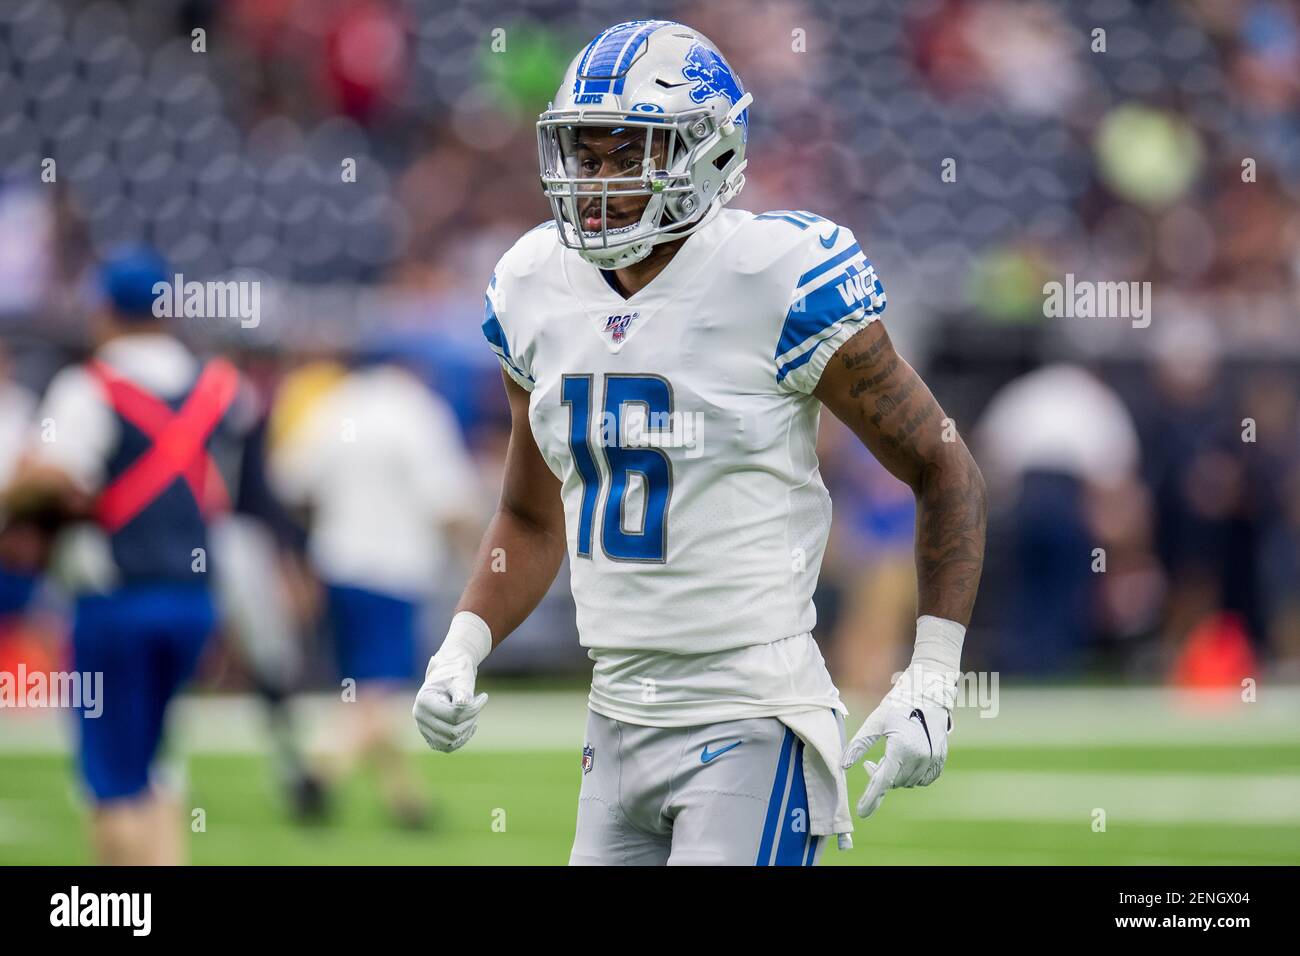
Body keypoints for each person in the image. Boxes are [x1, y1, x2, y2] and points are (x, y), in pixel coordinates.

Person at [413, 20, 986, 865]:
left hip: (752, 715)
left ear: (707, 152)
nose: (599, 182)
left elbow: (943, 464)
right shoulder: (534, 286)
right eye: (586, 155)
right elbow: (531, 518)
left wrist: (933, 677)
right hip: (613, 720)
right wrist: (462, 646)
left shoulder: (774, 276)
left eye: (629, 153)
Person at [3, 247, 241, 864]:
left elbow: (52, 475)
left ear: (104, 310)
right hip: (194, 600)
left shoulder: (89, 386)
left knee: (111, 781)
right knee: (158, 765)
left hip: (115, 600)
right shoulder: (217, 387)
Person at [270, 352, 479, 828]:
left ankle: (406, 801)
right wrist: (480, 562)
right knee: (378, 689)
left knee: (364, 690)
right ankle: (319, 772)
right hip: (394, 569)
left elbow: (291, 481)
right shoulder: (418, 413)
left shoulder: (336, 405)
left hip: (338, 563)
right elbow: (448, 499)